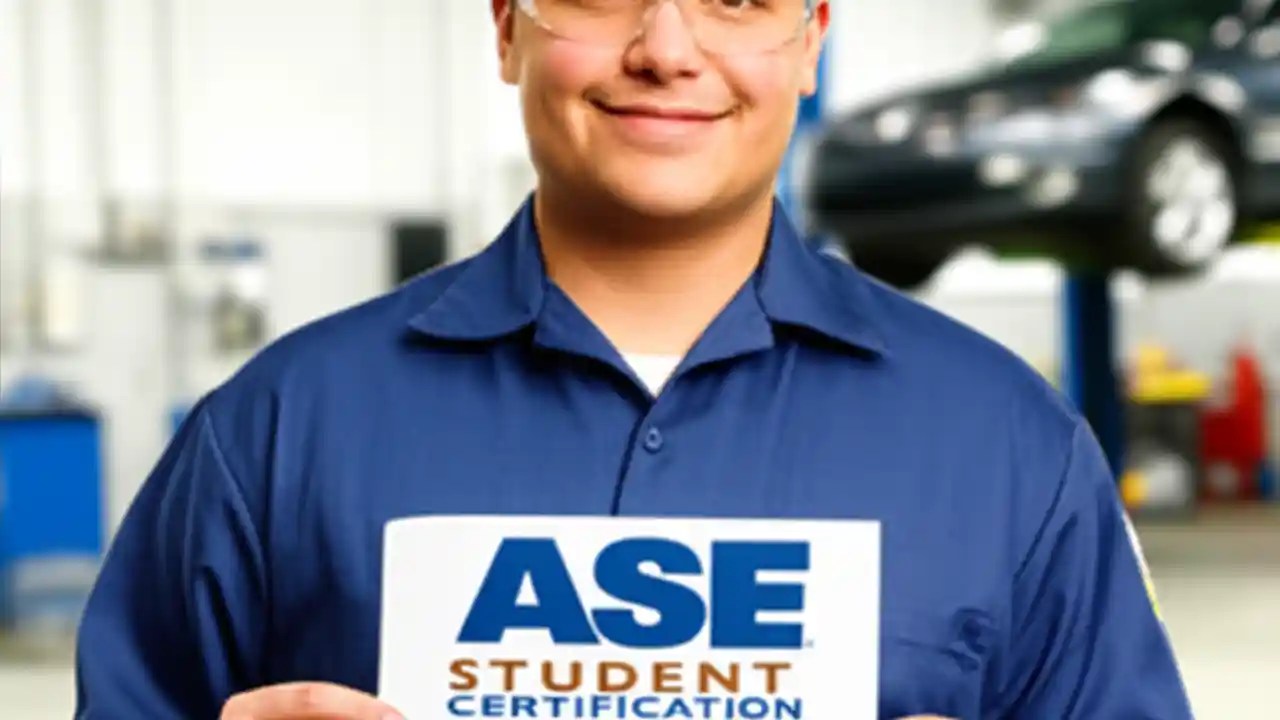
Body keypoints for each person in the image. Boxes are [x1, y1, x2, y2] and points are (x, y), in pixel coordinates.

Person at [74, 0, 1194, 718]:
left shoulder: (1005, 443)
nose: (665, 48)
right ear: (505, 26)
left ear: (810, 37)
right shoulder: (274, 432)